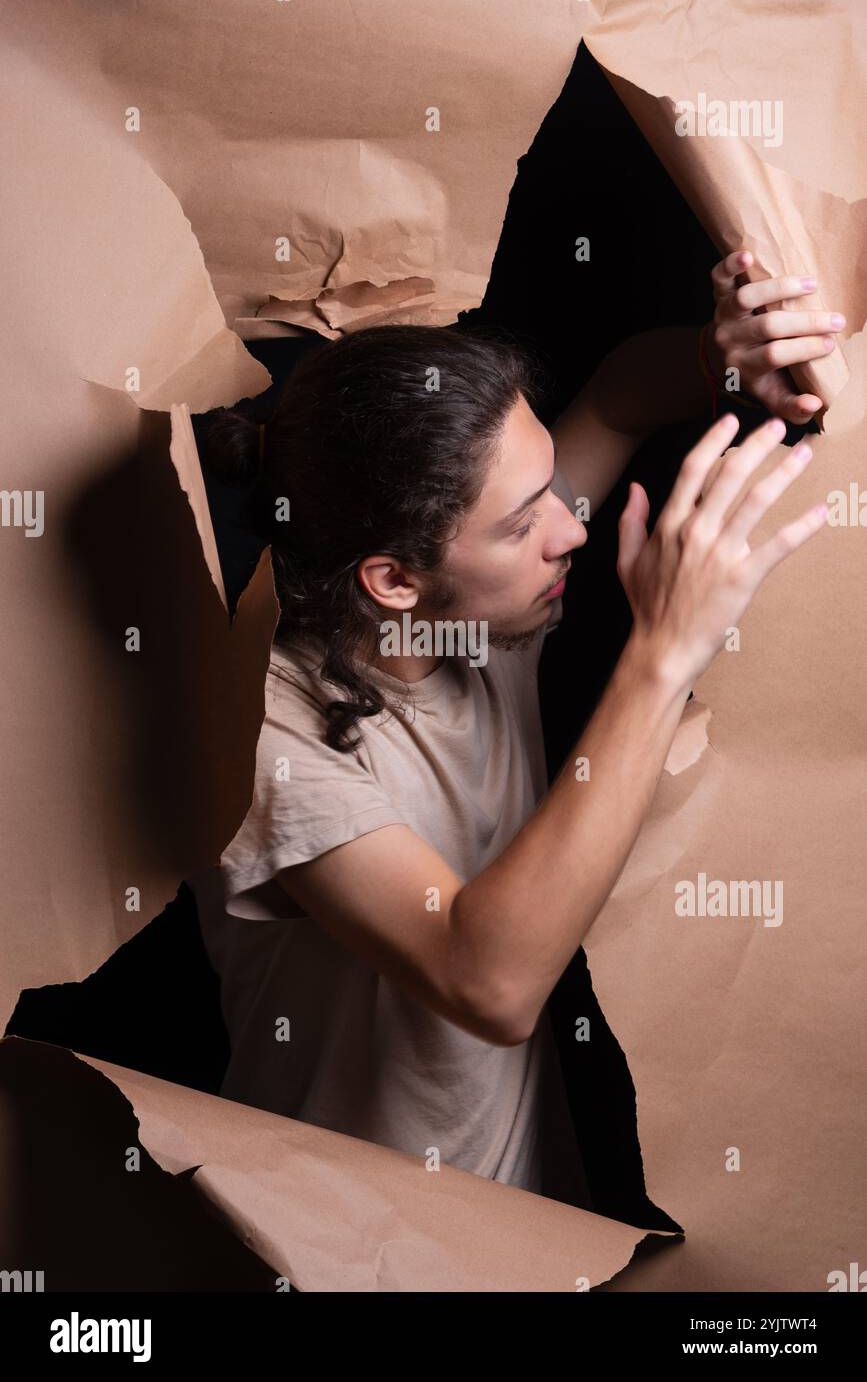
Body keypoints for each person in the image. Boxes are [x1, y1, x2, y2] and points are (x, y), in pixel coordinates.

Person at [186, 250, 841, 1206]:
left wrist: (718, 357)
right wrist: (661, 653)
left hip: (521, 1215)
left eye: (549, 486)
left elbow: (618, 399)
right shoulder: (267, 735)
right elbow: (483, 978)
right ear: (394, 582)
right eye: (522, 519)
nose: (569, 528)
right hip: (345, 1243)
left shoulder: (488, 605)